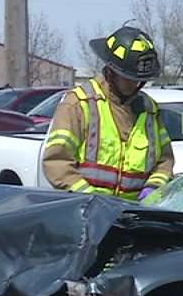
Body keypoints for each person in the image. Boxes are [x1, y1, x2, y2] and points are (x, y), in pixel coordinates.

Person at [43, 25, 174, 201]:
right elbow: (57, 162)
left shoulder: (149, 110)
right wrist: (91, 199)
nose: (135, 85)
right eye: (129, 78)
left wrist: (153, 187)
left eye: (140, 80)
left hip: (133, 212)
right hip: (85, 210)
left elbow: (164, 160)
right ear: (111, 72)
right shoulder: (78, 104)